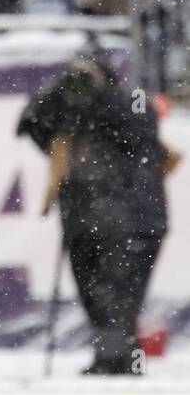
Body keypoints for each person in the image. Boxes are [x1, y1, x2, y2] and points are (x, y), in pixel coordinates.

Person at [19, 46, 177, 375]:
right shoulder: (72, 114)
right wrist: (61, 93)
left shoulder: (132, 104)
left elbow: (124, 117)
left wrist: (77, 92)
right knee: (100, 295)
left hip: (127, 220)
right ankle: (115, 359)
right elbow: (30, 122)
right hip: (96, 218)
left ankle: (117, 362)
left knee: (116, 295)